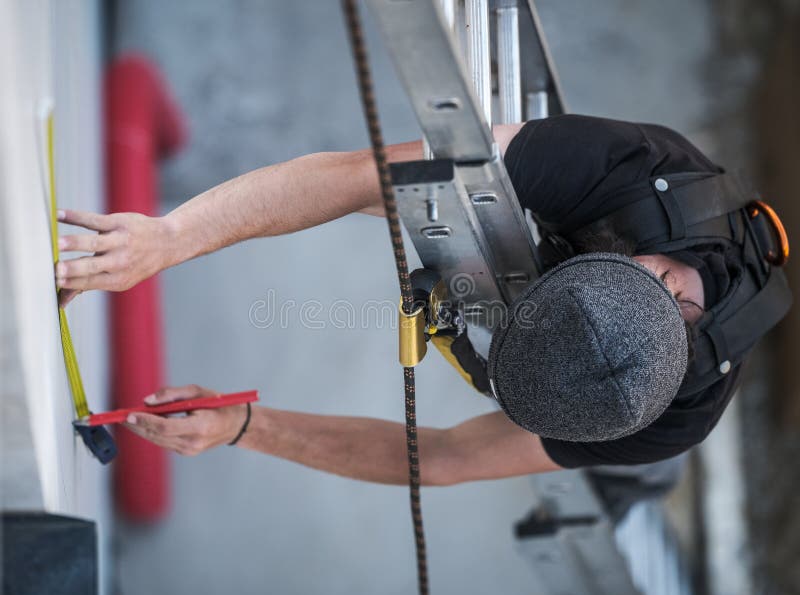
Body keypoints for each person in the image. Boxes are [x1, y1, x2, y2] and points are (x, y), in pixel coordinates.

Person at [54, 115, 790, 489]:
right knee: (411, 177)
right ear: (605, 260)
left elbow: (442, 457)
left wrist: (245, 425)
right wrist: (169, 237)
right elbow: (361, 178)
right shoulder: (622, 169)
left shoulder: (672, 421)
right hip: (610, 199)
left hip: (652, 393)